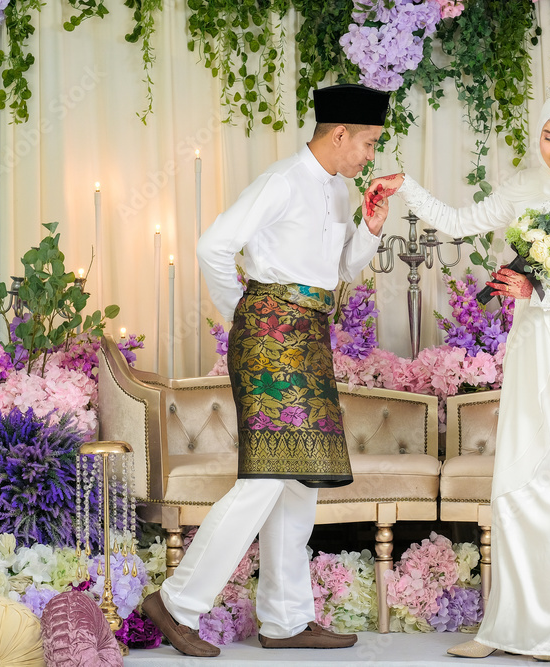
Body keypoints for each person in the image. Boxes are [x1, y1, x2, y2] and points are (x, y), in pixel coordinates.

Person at [368, 81, 550, 661]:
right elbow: (458, 220)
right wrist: (409, 189)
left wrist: (540, 288)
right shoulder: (527, 183)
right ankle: (508, 627)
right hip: (532, 349)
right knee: (517, 486)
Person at [141, 83, 392, 657]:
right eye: (368, 143)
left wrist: (371, 226)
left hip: (310, 334)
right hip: (272, 336)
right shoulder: (281, 181)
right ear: (339, 134)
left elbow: (341, 270)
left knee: (300, 482)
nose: (369, 155)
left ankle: (285, 620)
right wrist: (246, 312)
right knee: (264, 481)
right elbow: (212, 245)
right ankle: (176, 603)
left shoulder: (339, 191)